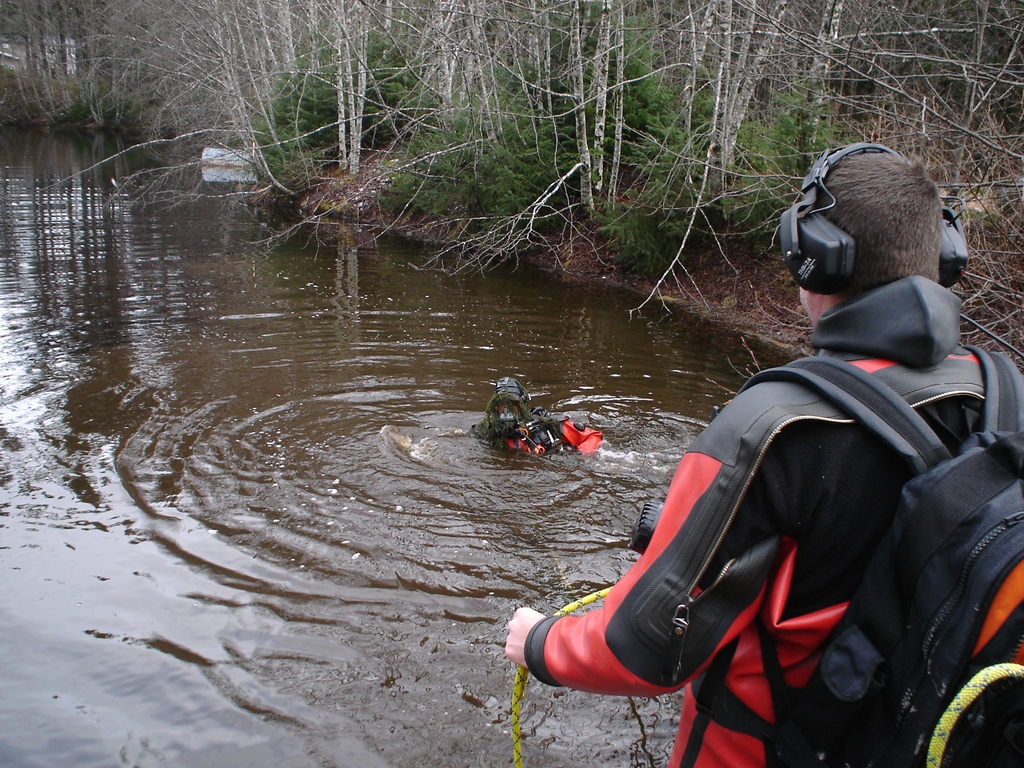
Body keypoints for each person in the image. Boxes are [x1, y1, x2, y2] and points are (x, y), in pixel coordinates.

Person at [504, 143, 1010, 767]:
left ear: (815, 255)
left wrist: (539, 643)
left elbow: (642, 647)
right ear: (945, 256)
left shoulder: (770, 426)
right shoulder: (1005, 396)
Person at [473, 376, 602, 454]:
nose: (506, 409)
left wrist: (582, 455)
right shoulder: (484, 433)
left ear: (522, 405)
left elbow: (593, 436)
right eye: (501, 403)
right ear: (494, 407)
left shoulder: (547, 427)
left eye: (512, 403)